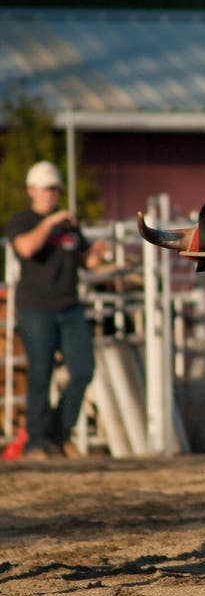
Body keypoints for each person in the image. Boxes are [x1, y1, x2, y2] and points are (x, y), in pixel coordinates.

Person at [6, 161, 107, 459]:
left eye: (55, 189)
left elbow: (85, 261)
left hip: (70, 305)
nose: (51, 195)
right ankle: (35, 442)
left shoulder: (69, 225)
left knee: (83, 369)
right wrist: (50, 222)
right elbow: (25, 249)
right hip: (36, 307)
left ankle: (58, 432)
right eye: (46, 189)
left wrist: (96, 255)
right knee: (41, 372)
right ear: (31, 190)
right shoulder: (22, 220)